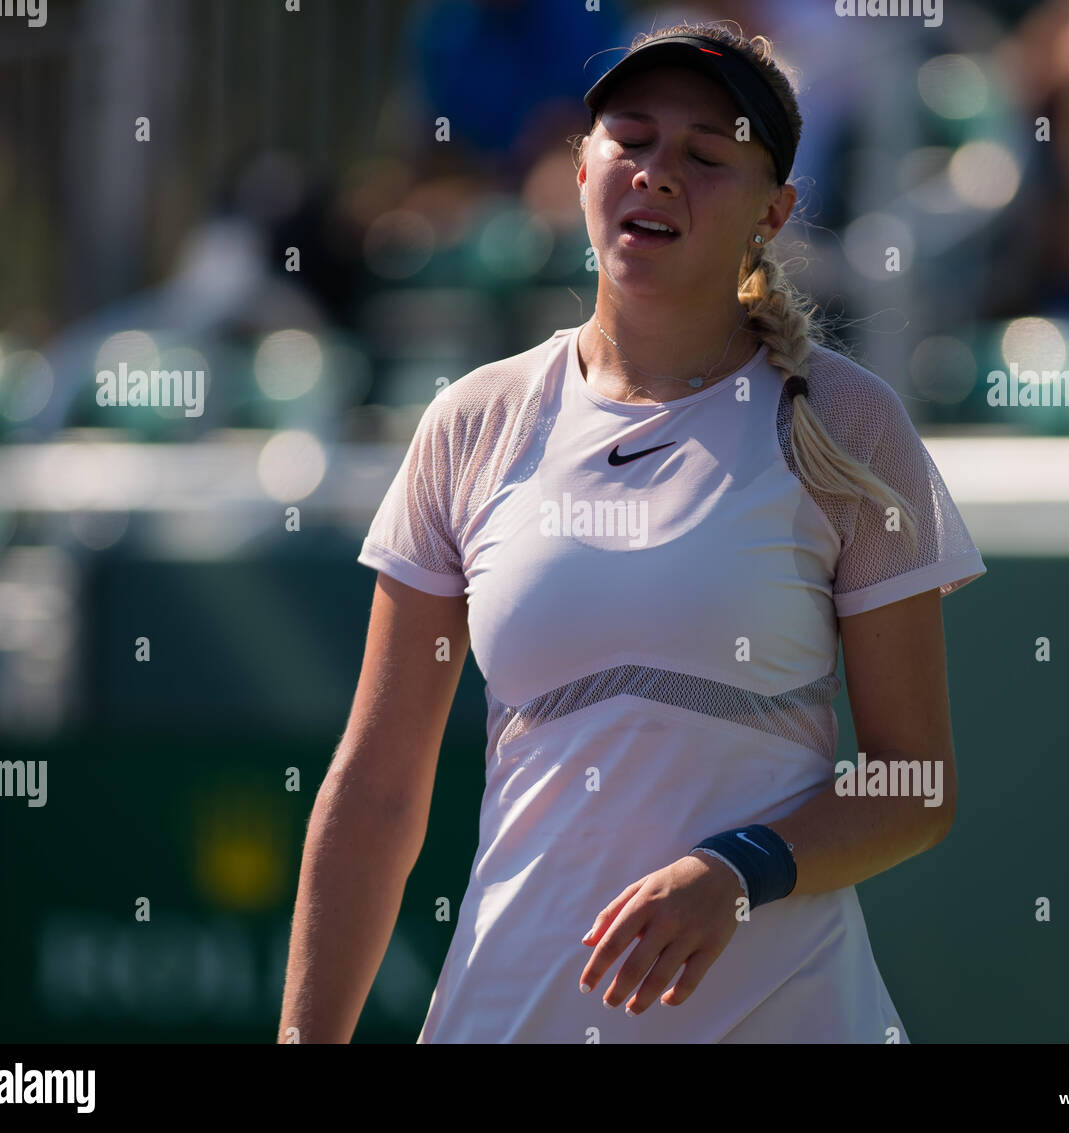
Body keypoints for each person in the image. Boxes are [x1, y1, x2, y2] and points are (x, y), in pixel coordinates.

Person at [279, 21, 987, 1044]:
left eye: (707, 157)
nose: (659, 174)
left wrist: (737, 869)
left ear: (771, 213)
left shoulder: (849, 419)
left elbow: (914, 784)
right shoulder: (472, 422)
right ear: (579, 172)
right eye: (633, 141)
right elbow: (377, 785)